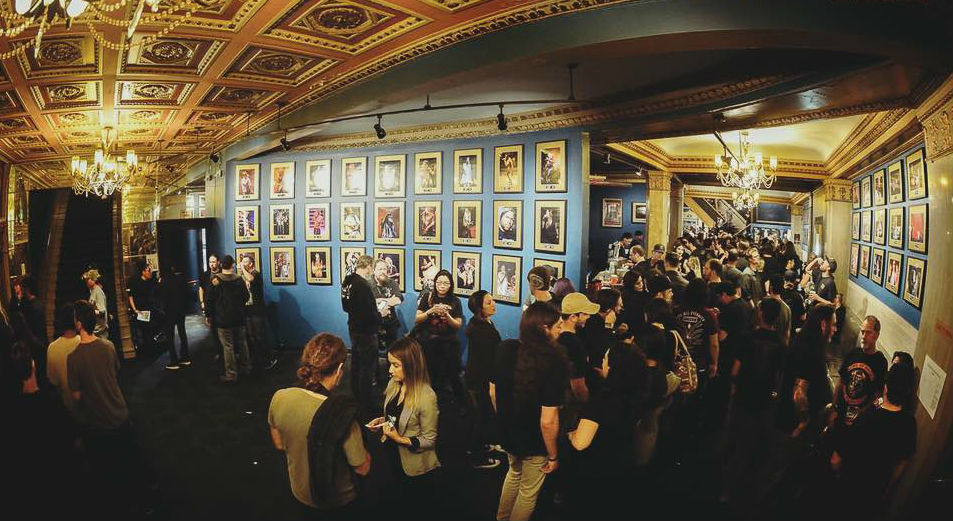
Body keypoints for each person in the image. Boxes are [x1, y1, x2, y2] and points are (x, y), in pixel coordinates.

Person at [268, 333, 370, 515]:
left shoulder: (280, 396)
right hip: (337, 501)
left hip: (299, 493)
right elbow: (362, 468)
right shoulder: (343, 416)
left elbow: (279, 443)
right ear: (339, 369)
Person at [67, 300, 151, 514]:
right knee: (128, 467)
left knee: (107, 476)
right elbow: (114, 374)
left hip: (99, 423)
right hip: (120, 414)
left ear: (78, 323)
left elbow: (76, 395)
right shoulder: (109, 347)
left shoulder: (73, 358)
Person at [491, 302, 566, 521]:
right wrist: (553, 455)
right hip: (535, 440)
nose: (562, 330)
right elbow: (548, 421)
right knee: (528, 491)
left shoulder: (505, 349)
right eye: (559, 326)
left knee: (513, 473)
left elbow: (493, 392)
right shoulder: (554, 362)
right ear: (545, 329)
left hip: (509, 432)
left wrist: (504, 419)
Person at [721, 298, 786, 509]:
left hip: (742, 400)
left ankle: (727, 493)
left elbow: (735, 371)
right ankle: (752, 498)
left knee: (736, 447)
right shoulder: (780, 345)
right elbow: (780, 378)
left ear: (759, 314)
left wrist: (733, 389)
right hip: (765, 404)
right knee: (760, 451)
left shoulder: (746, 339)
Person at [830, 363, 917, 518]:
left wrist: (838, 477)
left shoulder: (866, 418)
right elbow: (903, 462)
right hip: (876, 491)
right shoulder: (910, 424)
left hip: (850, 487)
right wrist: (887, 488)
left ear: (885, 387)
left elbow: (836, 460)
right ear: (909, 391)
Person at [367, 338, 440, 510]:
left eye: (396, 365)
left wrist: (400, 439)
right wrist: (383, 421)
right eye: (390, 364)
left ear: (411, 365)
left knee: (417, 502)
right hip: (393, 454)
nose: (390, 370)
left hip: (414, 463)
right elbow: (397, 414)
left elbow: (430, 440)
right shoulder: (394, 383)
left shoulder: (427, 397)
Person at [778, 304, 837, 438]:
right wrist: (803, 423)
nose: (835, 329)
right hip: (798, 428)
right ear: (823, 324)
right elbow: (799, 394)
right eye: (833, 324)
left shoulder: (803, 342)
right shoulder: (811, 352)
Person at [464, 290, 503, 470]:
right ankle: (477, 456)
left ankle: (480, 446)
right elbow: (489, 359)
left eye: (492, 300)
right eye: (489, 302)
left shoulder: (479, 323)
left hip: (475, 377)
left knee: (480, 415)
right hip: (480, 380)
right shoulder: (483, 331)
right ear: (479, 307)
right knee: (480, 417)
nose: (493, 304)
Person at [414, 270, 464, 402]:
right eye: (439, 282)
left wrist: (447, 315)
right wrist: (431, 311)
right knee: (430, 373)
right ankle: (430, 399)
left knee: (451, 374)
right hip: (429, 343)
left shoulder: (455, 301)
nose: (442, 285)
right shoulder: (427, 297)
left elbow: (458, 325)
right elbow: (417, 319)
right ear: (435, 283)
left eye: (446, 283)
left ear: (451, 285)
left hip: (449, 343)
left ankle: (453, 402)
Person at [832, 316, 888, 428]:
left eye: (868, 333)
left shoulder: (880, 361)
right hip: (841, 413)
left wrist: (863, 413)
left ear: (876, 335)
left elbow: (878, 394)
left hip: (860, 420)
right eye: (862, 332)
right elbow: (841, 382)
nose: (863, 336)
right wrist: (833, 408)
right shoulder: (853, 353)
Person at [341, 255, 381, 407]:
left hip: (353, 327)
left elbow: (346, 307)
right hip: (366, 332)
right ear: (369, 266)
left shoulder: (347, 281)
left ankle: (355, 393)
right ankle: (366, 400)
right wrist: (380, 316)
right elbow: (369, 312)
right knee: (367, 367)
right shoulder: (362, 285)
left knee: (356, 362)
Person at [555, 292, 600, 416]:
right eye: (585, 314)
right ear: (573, 317)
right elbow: (577, 384)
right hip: (571, 405)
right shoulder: (573, 344)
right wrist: (589, 407)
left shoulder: (555, 335)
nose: (589, 317)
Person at [210, 255, 252, 384]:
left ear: (221, 265)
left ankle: (231, 374)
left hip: (223, 319)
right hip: (239, 317)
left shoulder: (216, 280)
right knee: (242, 343)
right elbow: (246, 297)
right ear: (233, 265)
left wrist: (209, 315)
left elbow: (210, 299)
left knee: (228, 347)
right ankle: (246, 369)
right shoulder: (239, 280)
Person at [241, 254, 278, 372]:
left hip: (257, 310)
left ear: (251, 264)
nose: (243, 263)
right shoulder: (244, 276)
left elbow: (250, 279)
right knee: (251, 337)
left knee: (259, 336)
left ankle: (267, 360)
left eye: (245, 262)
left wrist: (241, 268)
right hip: (248, 310)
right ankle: (256, 360)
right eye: (242, 262)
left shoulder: (256, 274)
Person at [46, 303, 81, 412]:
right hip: (89, 408)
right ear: (76, 321)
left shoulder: (52, 348)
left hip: (66, 408)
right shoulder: (83, 342)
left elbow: (53, 381)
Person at [159, 264, 191, 370]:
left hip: (170, 311)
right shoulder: (180, 279)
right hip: (181, 310)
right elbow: (187, 293)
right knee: (182, 332)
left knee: (170, 336)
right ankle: (185, 357)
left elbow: (163, 298)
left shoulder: (163, 281)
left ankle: (174, 361)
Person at [371, 258, 404, 352]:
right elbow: (366, 303)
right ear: (374, 270)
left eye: (384, 269)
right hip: (374, 324)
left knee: (392, 351)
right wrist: (390, 300)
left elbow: (398, 299)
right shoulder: (367, 284)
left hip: (391, 323)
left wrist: (380, 300)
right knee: (372, 353)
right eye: (380, 269)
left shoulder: (392, 283)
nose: (383, 272)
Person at [127, 261, 160, 351]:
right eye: (148, 270)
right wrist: (135, 309)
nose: (150, 272)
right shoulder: (135, 282)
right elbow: (131, 296)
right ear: (143, 272)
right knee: (145, 330)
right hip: (141, 310)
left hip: (150, 308)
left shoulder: (151, 281)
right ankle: (147, 350)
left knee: (151, 328)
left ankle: (152, 347)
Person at [199, 254, 223, 360]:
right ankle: (218, 351)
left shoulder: (223, 273)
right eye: (210, 262)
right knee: (213, 330)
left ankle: (224, 352)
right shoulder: (205, 275)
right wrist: (202, 302)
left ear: (218, 262)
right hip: (210, 306)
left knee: (222, 330)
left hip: (221, 306)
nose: (212, 264)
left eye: (214, 262)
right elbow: (201, 288)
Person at [762, 275, 792, 346]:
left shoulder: (761, 304)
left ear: (771, 287)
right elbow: (787, 333)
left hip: (762, 344)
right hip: (778, 346)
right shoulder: (787, 309)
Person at [83, 269, 109, 337]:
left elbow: (102, 312)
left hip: (100, 331)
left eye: (88, 279)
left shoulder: (98, 292)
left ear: (93, 280)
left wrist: (90, 311)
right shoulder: (92, 291)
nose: (86, 281)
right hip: (96, 330)